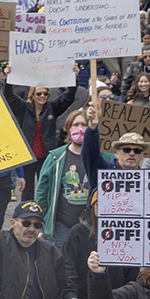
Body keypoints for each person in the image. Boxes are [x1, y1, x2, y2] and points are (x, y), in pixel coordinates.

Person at [35, 107, 92, 249]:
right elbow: (42, 193)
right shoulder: (55, 157)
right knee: (62, 261)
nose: (80, 128)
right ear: (68, 128)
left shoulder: (102, 157)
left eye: (84, 125)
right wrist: (41, 225)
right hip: (62, 226)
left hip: (93, 226)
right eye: (76, 125)